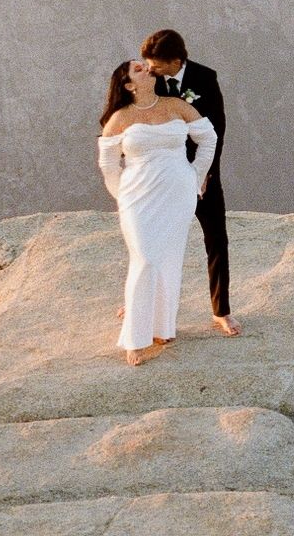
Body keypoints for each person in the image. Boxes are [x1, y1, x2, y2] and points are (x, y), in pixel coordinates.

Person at [97, 59, 217, 366]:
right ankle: (135, 339)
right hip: (138, 196)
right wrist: (120, 193)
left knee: (168, 258)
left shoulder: (176, 105)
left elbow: (208, 137)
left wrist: (196, 175)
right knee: (145, 257)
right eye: (138, 69)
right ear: (128, 85)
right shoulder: (120, 117)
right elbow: (108, 163)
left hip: (177, 193)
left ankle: (163, 327)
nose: (147, 68)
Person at [140, 28, 242, 336]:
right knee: (150, 240)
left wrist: (204, 173)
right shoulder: (148, 79)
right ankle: (140, 302)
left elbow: (217, 128)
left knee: (216, 240)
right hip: (161, 172)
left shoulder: (205, 78)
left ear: (176, 60)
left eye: (155, 64)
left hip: (202, 173)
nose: (149, 68)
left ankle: (221, 310)